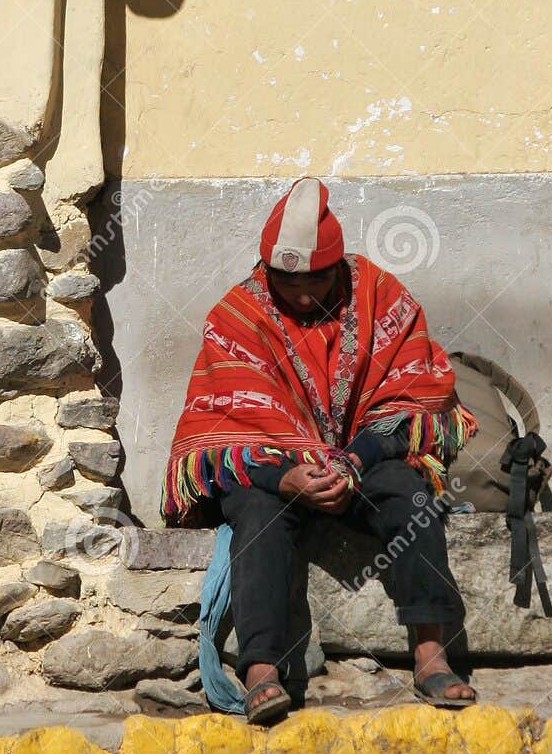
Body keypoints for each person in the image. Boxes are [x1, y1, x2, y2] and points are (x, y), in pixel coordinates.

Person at [163, 177, 477, 725]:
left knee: (408, 491)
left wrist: (355, 461)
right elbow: (225, 425)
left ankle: (430, 651)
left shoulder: (380, 295)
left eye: (318, 280)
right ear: (268, 271)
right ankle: (261, 667)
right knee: (257, 511)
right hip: (275, 468)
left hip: (362, 458)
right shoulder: (238, 316)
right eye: (289, 282)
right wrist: (285, 477)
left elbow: (412, 402)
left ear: (339, 267)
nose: (304, 295)